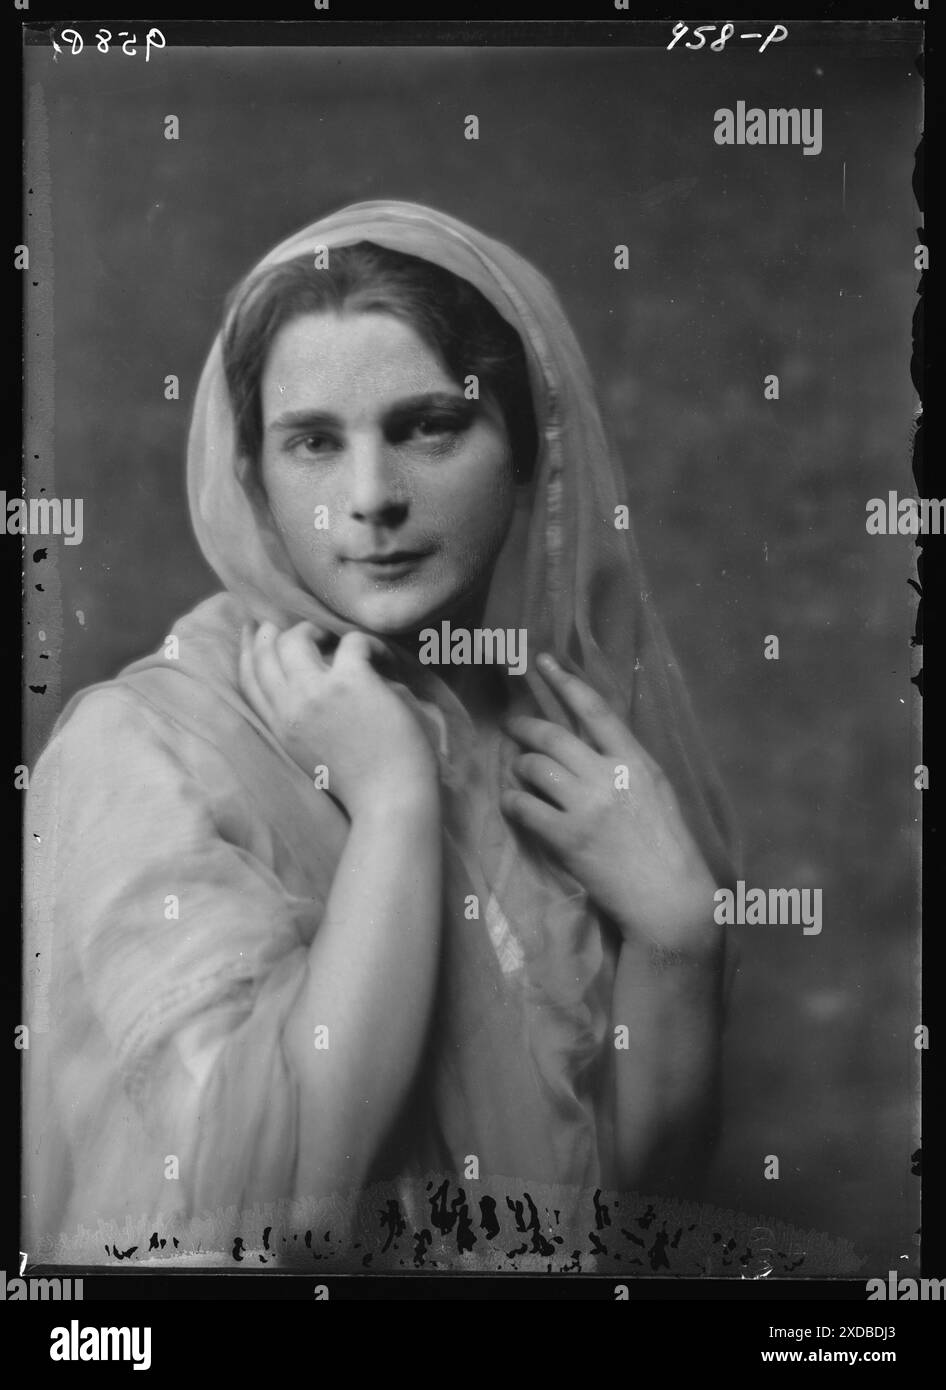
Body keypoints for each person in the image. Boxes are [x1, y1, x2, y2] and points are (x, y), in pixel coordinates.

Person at [23, 200, 737, 1269]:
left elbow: (621, 1227)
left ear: (526, 449)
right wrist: (396, 803)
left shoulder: (555, 750)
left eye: (427, 426)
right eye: (313, 442)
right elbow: (268, 1218)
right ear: (256, 479)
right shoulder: (143, 748)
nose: (370, 499)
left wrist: (679, 938)